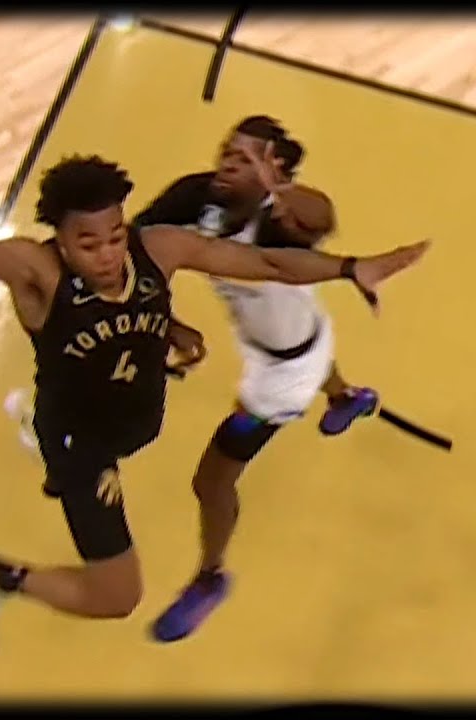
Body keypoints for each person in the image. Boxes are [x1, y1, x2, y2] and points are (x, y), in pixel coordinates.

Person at [0, 77, 430, 653]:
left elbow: (268, 262)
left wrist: (349, 268)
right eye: (90, 244)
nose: (109, 254)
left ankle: (38, 427)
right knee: (117, 597)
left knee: (138, 422)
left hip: (129, 412)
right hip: (81, 441)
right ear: (59, 240)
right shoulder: (32, 269)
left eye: (115, 235)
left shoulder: (157, 246)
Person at [131, 116, 379, 642]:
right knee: (309, 344)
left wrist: (280, 188)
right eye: (227, 151)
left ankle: (209, 578)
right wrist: (168, 324)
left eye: (245, 159)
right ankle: (346, 398)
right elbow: (139, 252)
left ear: (277, 172)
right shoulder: (196, 196)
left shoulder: (280, 223)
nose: (226, 162)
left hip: (281, 380)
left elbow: (320, 216)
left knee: (211, 482)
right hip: (287, 332)